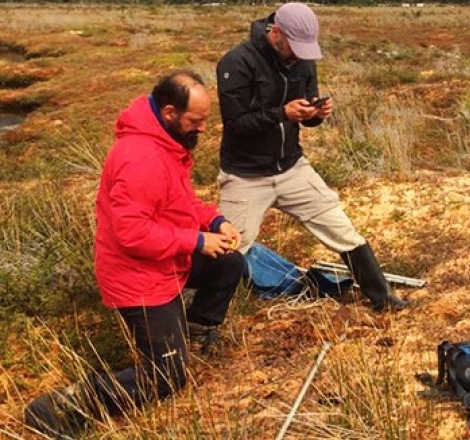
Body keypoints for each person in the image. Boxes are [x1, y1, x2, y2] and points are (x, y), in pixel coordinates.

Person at [23, 70, 245, 438]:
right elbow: (132, 234)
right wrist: (197, 241)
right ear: (170, 112)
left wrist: (215, 221)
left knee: (230, 262)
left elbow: (181, 203)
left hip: (165, 263)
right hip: (137, 280)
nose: (203, 129)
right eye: (196, 121)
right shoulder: (140, 157)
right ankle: (61, 406)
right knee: (167, 376)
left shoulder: (167, 143)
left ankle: (192, 334)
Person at [216, 2, 409, 312]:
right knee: (228, 249)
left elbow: (305, 117)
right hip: (246, 175)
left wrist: (315, 114)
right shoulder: (237, 62)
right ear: (275, 32)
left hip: (292, 168)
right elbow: (235, 124)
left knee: (342, 230)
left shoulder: (303, 60)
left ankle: (384, 298)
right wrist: (283, 113)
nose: (300, 54)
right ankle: (205, 320)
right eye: (294, 46)